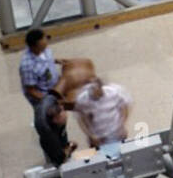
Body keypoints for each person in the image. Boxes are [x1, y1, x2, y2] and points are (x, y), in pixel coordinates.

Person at [19, 29, 74, 166]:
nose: (46, 43)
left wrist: (57, 60)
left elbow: (47, 60)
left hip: (53, 91)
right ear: (34, 46)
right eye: (43, 42)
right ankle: (55, 157)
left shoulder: (45, 50)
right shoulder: (27, 65)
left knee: (61, 122)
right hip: (42, 98)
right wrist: (50, 101)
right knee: (50, 124)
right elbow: (31, 90)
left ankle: (64, 144)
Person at [70, 77, 133, 148]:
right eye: (92, 91)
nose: (96, 94)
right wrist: (90, 135)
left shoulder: (113, 92)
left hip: (116, 133)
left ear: (101, 87)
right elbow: (81, 119)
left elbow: (124, 106)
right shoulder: (83, 99)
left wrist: (122, 124)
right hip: (99, 138)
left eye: (98, 91)